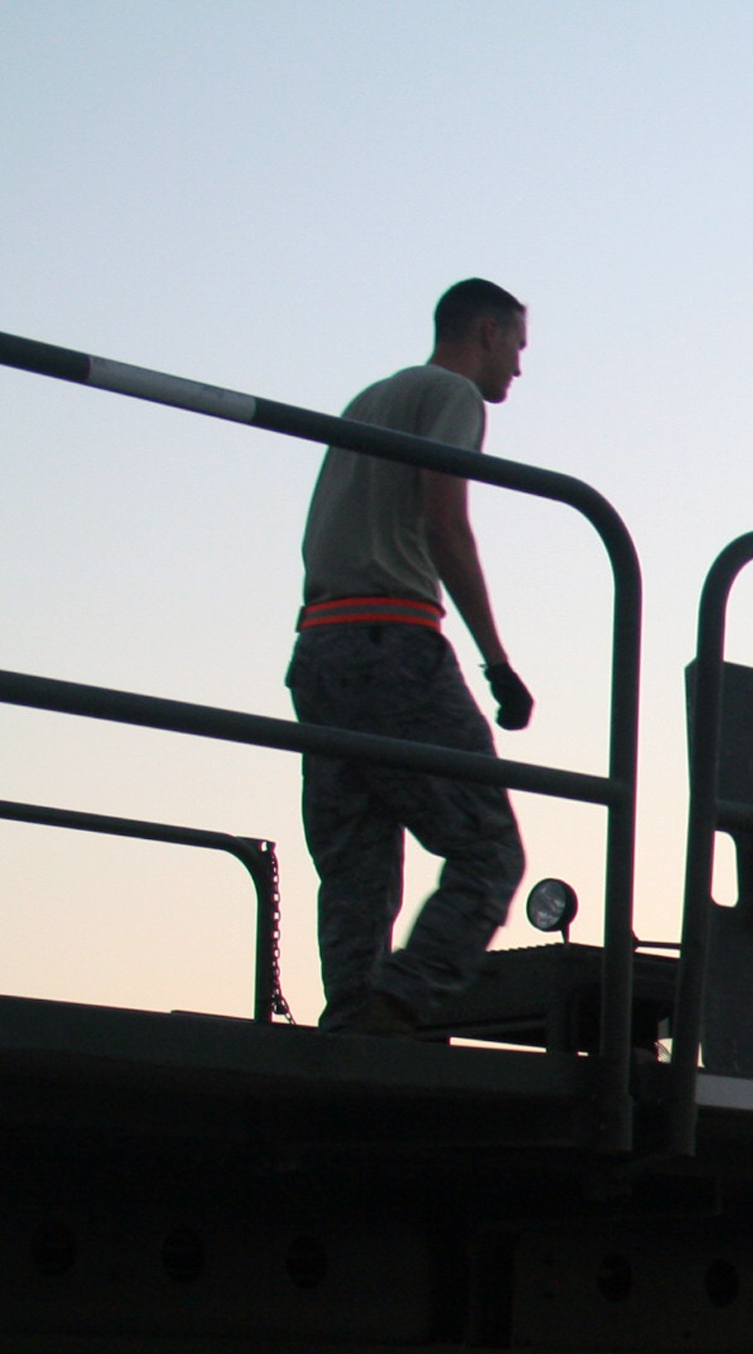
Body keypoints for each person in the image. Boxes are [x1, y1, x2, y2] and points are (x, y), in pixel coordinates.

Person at [286, 278, 536, 1034]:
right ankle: (399, 1012)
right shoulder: (450, 395)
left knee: (357, 865)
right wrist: (498, 661)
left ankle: (354, 1019)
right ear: (486, 332)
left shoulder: (369, 400)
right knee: (490, 853)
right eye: (519, 348)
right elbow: (444, 521)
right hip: (389, 643)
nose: (519, 371)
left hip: (320, 651)